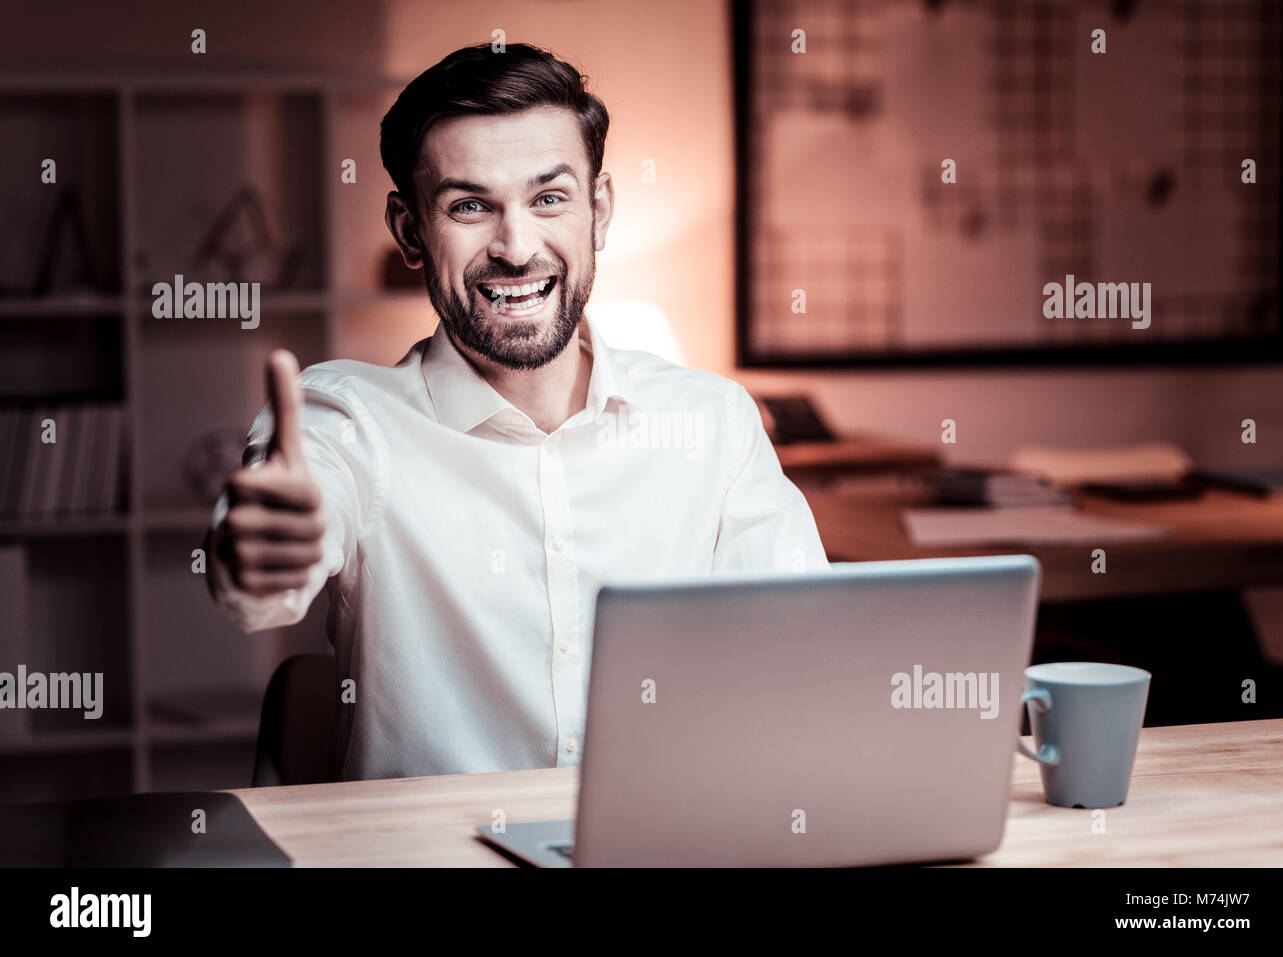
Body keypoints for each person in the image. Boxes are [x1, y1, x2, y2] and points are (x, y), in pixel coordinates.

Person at [206, 42, 827, 781]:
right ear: (410, 231)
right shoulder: (348, 422)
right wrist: (266, 554)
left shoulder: (714, 423)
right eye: (470, 206)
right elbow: (275, 561)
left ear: (598, 212)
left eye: (549, 198)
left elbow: (806, 656)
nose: (516, 246)